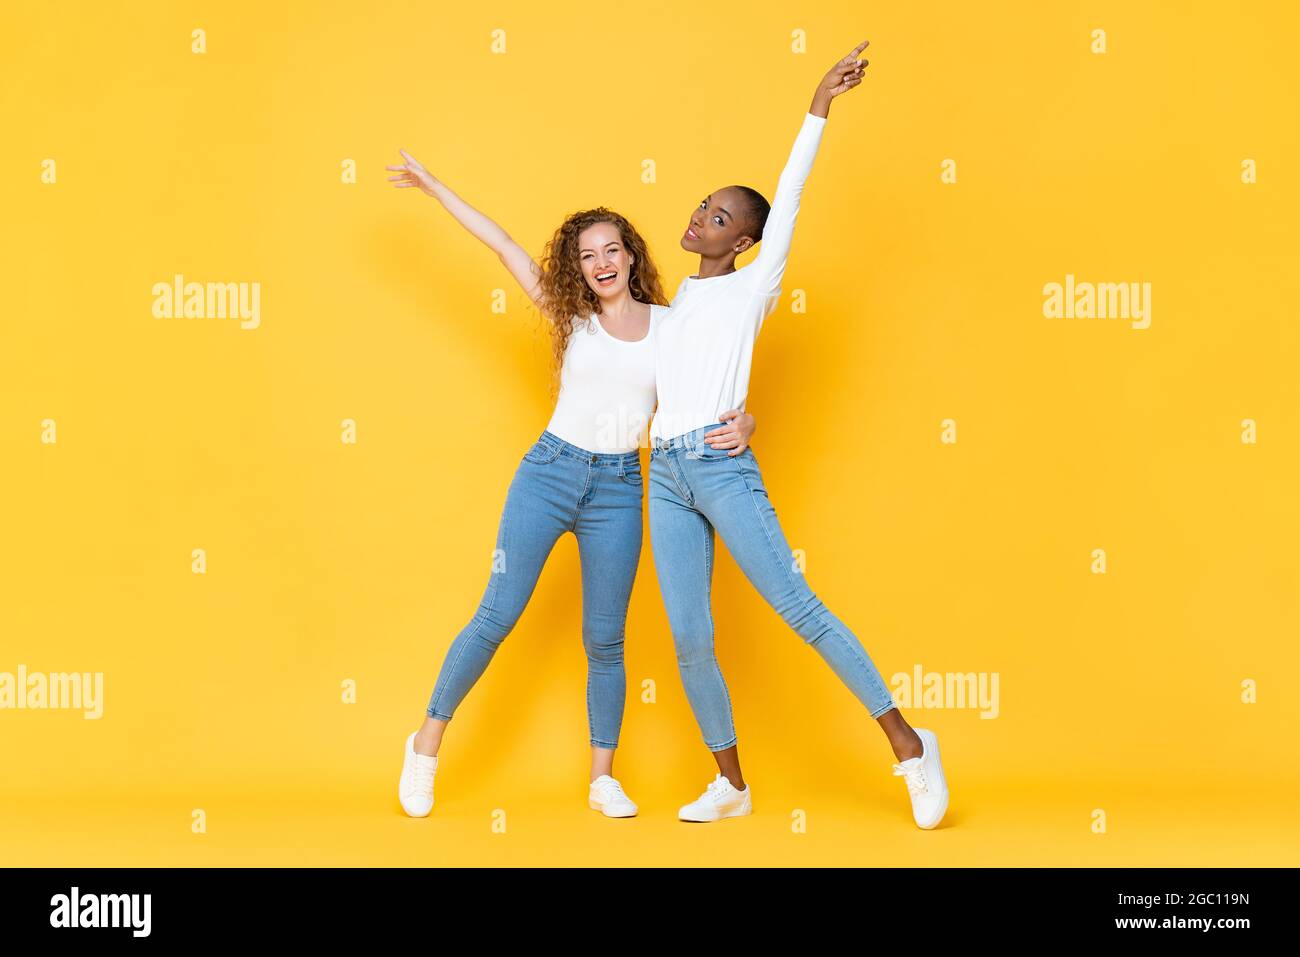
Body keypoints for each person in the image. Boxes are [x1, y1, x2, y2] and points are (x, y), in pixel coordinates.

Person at [385, 156, 757, 818]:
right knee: (497, 615)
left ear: (630, 256)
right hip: (550, 473)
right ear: (577, 268)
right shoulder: (571, 316)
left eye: (612, 248)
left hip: (619, 488)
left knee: (605, 639)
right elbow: (500, 243)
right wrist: (435, 187)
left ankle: (601, 778)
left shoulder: (672, 325)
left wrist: (745, 417)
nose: (602, 262)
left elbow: (715, 378)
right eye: (588, 255)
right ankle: (426, 745)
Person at [647, 39, 950, 828]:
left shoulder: (751, 289)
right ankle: (732, 785)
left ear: (743, 240)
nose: (701, 218)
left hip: (718, 470)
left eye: (720, 217)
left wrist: (818, 104)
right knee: (688, 634)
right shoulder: (673, 305)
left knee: (797, 605)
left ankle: (910, 744)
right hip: (665, 474)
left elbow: (791, 189)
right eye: (703, 206)